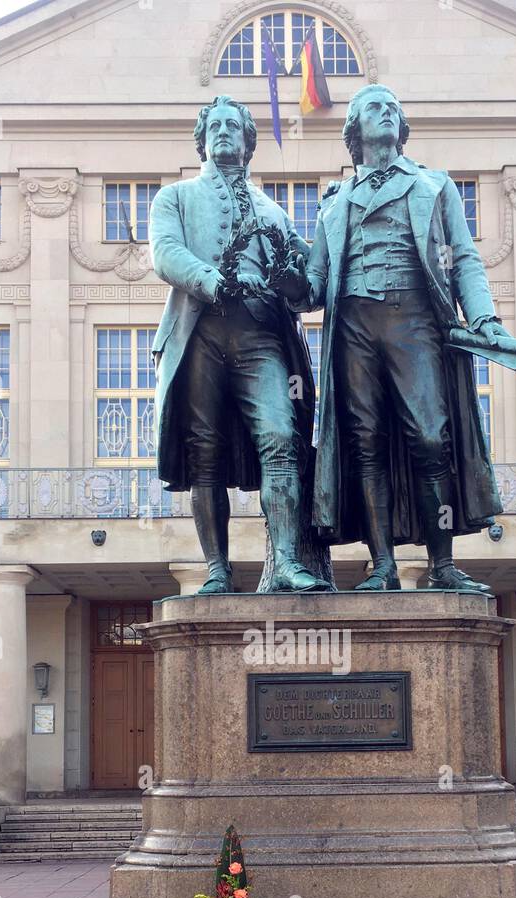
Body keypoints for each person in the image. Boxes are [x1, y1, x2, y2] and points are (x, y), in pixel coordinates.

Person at [305, 84, 516, 593]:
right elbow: (314, 284)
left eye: (393, 109)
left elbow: (465, 258)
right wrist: (284, 278)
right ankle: (381, 566)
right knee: (365, 444)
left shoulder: (434, 185)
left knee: (431, 438)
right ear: (354, 131)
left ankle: (443, 563)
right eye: (373, 109)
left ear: (401, 129)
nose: (385, 114)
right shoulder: (334, 201)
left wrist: (485, 317)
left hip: (415, 322)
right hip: (354, 327)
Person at [149, 95, 328, 594]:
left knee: (280, 438)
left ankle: (288, 563)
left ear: (249, 144)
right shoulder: (175, 197)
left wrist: (291, 279)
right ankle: (216, 570)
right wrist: (213, 280)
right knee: (204, 450)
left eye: (235, 127)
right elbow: (165, 253)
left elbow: (308, 291)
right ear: (202, 140)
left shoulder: (275, 211)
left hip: (260, 337)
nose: (225, 132)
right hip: (201, 332)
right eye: (216, 126)